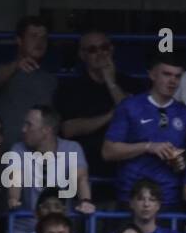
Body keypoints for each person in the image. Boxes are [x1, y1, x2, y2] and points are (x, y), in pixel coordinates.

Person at [54, 30, 145, 196]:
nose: (100, 53)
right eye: (92, 50)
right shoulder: (70, 88)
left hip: (123, 176)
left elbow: (136, 120)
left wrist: (111, 82)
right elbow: (68, 129)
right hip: (83, 175)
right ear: (82, 55)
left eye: (104, 47)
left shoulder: (131, 84)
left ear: (112, 50)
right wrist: (110, 116)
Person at [101, 52, 186, 207]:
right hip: (131, 198)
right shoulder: (130, 106)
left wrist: (181, 162)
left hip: (169, 200)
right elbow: (108, 151)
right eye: (166, 74)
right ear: (152, 74)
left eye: (177, 76)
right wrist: (148, 147)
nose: (172, 81)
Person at [9, 105, 92, 228]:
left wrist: (85, 202)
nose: (23, 129)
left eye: (29, 125)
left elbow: (81, 179)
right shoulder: (18, 149)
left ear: (46, 130)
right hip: (26, 227)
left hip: (61, 229)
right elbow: (15, 179)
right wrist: (13, 199)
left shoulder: (72, 148)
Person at [0, 16, 57, 145]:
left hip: (35, 156)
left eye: (43, 38)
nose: (39, 42)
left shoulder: (50, 79)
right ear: (19, 40)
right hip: (0, 153)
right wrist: (16, 65)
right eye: (33, 36)